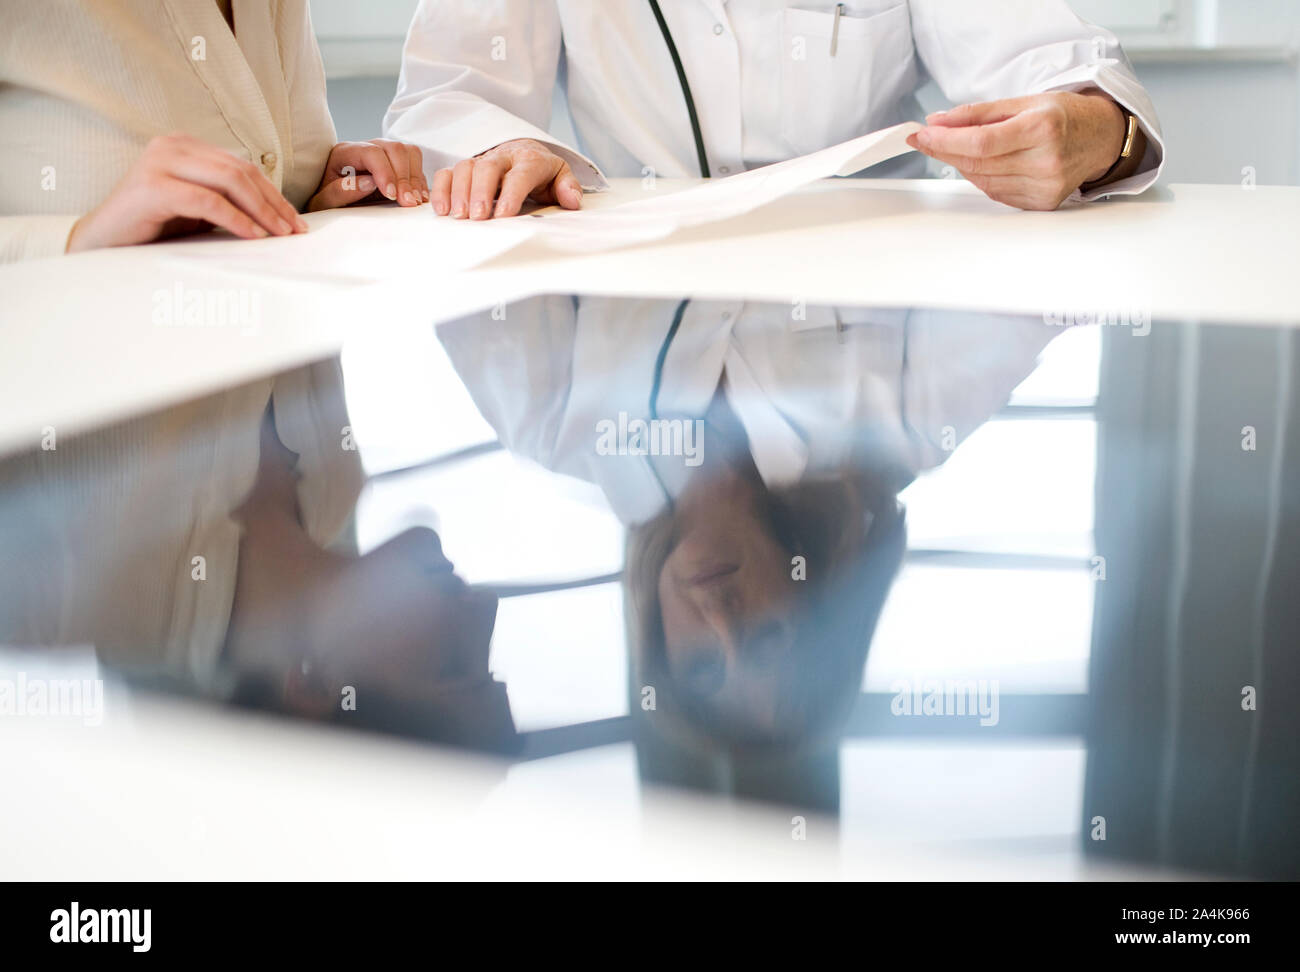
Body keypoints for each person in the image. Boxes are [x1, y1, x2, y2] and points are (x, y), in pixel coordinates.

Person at [0, 1, 512, 747]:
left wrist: (316, 192)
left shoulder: (48, 615)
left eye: (458, 662)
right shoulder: (335, 489)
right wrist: (73, 241)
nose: (487, 611)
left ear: (311, 684)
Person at [384, 0, 1163, 218]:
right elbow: (450, 96)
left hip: (860, 267)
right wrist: (500, 146)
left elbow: (1056, 68)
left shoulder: (901, 430)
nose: (720, 623)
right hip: (631, 270)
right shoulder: (559, 431)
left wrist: (1097, 132)